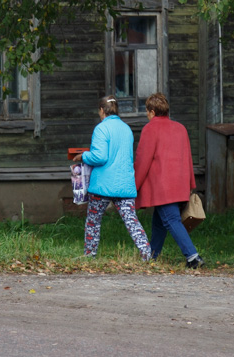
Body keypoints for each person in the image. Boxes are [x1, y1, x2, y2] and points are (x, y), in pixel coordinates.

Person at [73, 95, 151, 260]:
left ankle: (89, 255)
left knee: (93, 221)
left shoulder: (101, 129)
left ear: (102, 110)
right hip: (124, 185)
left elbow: (100, 157)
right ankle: (146, 253)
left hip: (103, 184)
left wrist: (83, 156)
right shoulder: (126, 129)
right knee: (132, 221)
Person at [134, 92, 204, 269]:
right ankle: (152, 257)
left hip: (162, 187)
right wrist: (190, 184)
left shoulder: (150, 129)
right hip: (179, 184)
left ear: (151, 111)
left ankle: (193, 257)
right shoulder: (180, 128)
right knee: (159, 222)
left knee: (171, 220)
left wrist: (133, 186)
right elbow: (188, 158)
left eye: (147, 112)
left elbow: (143, 160)